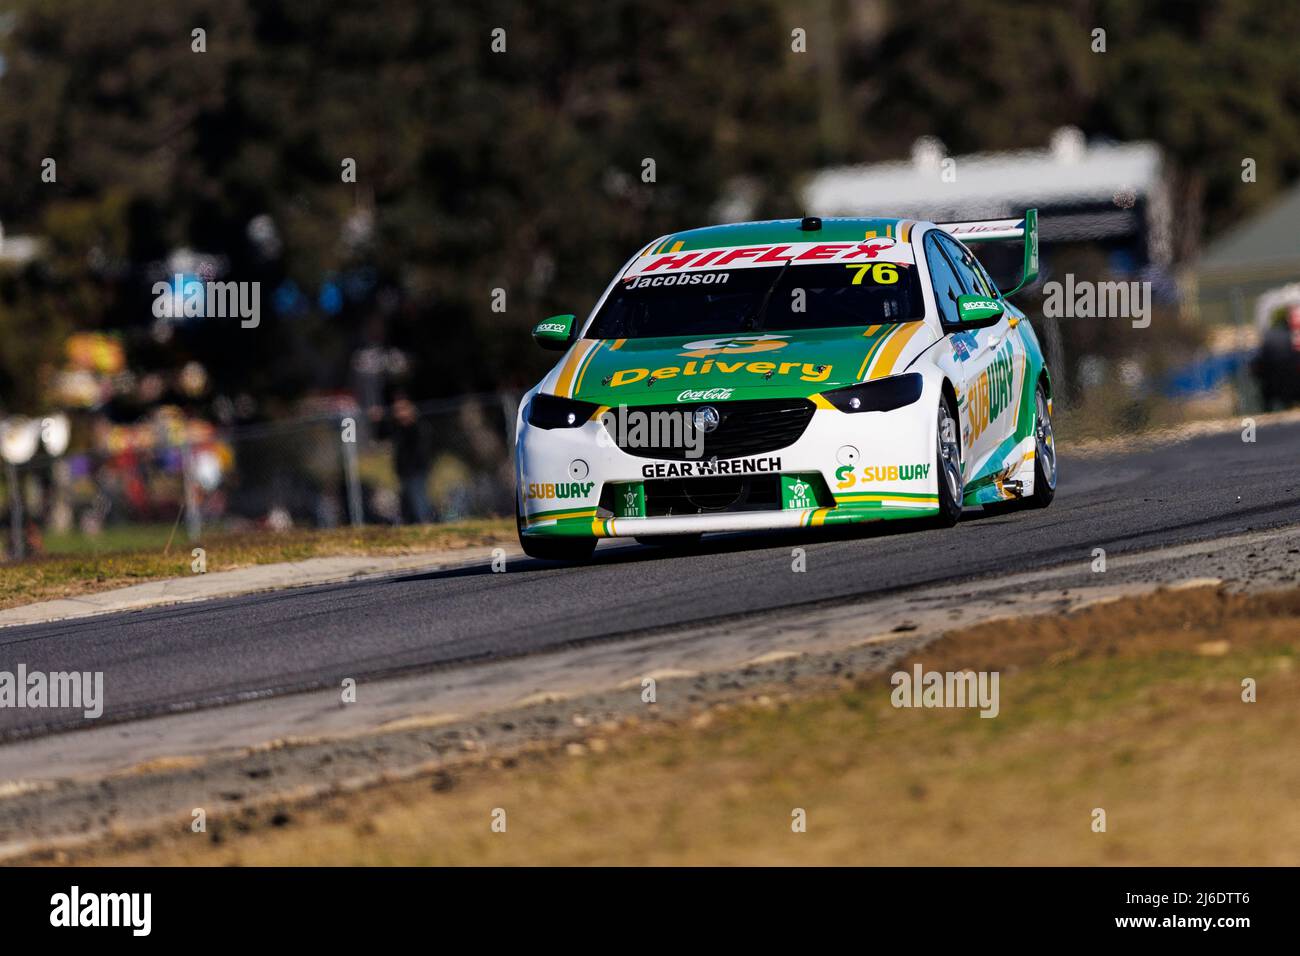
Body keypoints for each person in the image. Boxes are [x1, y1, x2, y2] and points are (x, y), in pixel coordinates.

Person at [371, 391, 438, 524]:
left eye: (402, 409)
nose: (399, 413)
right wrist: (378, 421)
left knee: (419, 501)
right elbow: (381, 435)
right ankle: (414, 525)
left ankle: (427, 524)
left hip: (417, 470)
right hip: (403, 471)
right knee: (407, 504)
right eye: (396, 410)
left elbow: (421, 450)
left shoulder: (418, 426)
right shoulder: (397, 427)